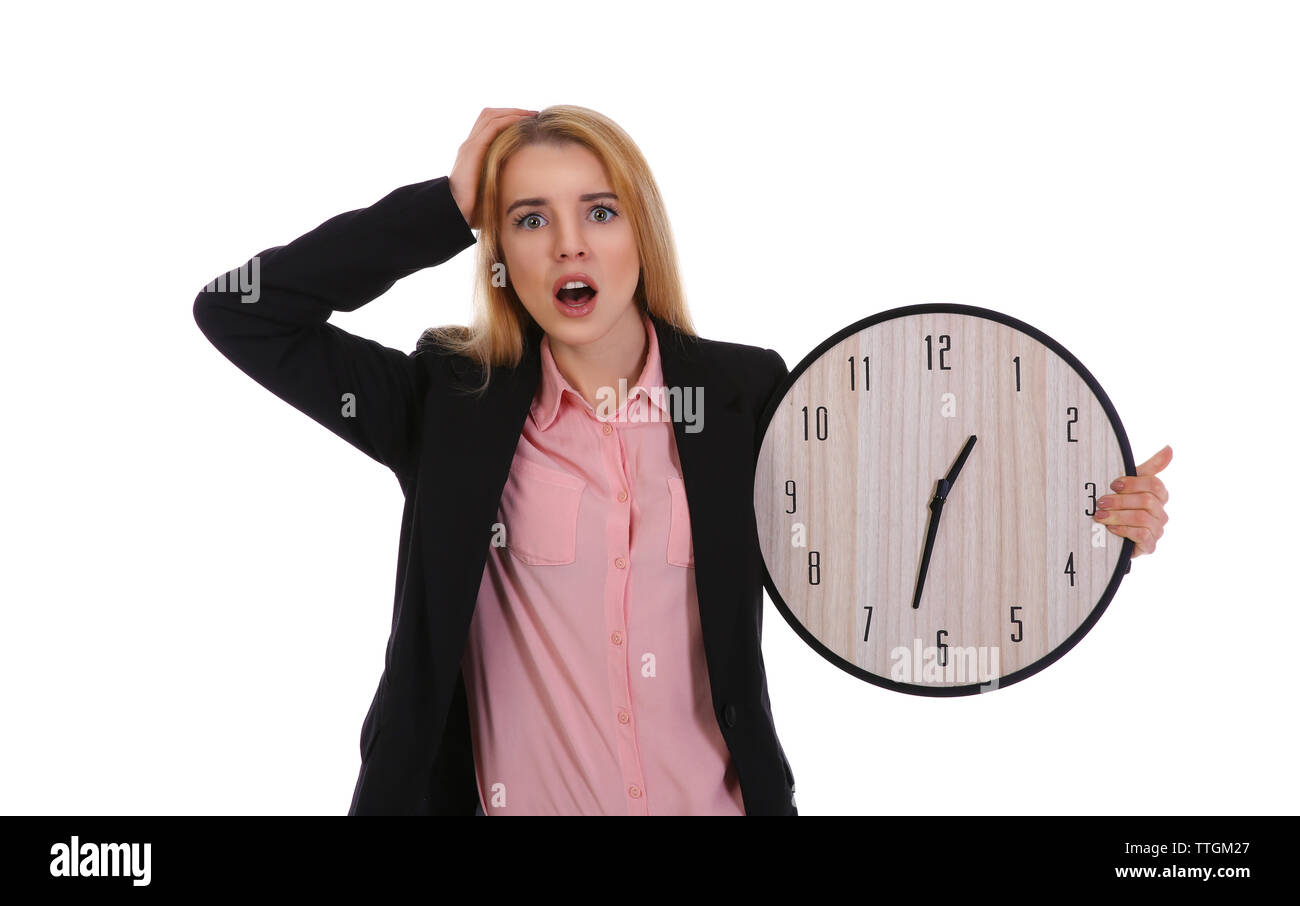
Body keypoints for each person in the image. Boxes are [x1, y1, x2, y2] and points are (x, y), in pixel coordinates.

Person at [194, 106, 1172, 815]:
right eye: (529, 218)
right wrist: (446, 204)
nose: (567, 243)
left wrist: (1088, 527)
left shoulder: (749, 394)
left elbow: (905, 533)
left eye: (599, 211)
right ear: (500, 248)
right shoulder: (452, 400)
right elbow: (239, 308)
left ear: (639, 233)